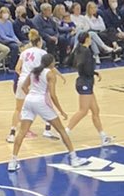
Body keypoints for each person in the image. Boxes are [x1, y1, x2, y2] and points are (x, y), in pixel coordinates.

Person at [9, 35, 76, 169]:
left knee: (21, 132)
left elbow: (23, 86)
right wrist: (61, 111)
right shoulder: (50, 74)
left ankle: (13, 161)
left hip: (29, 100)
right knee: (62, 130)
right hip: (40, 102)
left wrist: (31, 95)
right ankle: (74, 158)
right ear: (51, 63)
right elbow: (53, 95)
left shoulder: (34, 71)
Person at [65, 32, 114, 151]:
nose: (91, 40)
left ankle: (103, 136)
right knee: (83, 111)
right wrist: (89, 72)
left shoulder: (78, 48)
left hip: (86, 82)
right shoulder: (85, 51)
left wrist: (93, 72)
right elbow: (82, 65)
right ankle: (65, 132)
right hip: (84, 83)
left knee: (95, 110)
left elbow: (68, 62)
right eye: (90, 38)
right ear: (87, 39)